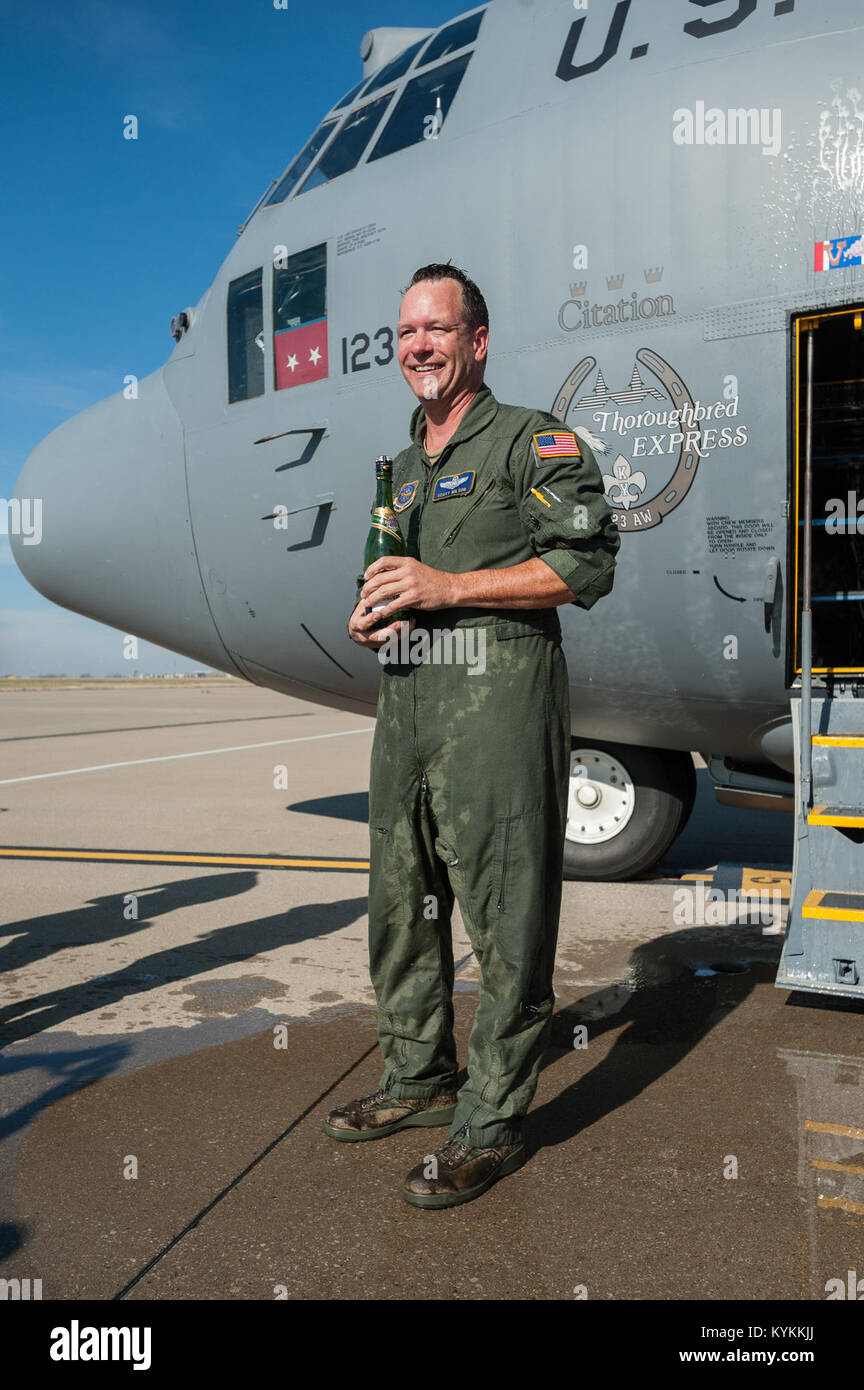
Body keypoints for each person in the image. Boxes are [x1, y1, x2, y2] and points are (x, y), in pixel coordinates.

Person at [324, 263, 620, 1209]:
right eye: (408, 330)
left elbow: (587, 558)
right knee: (401, 908)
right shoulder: (402, 468)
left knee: (505, 916)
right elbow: (399, 578)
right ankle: (418, 1079)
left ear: (475, 342)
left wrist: (450, 589)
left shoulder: (531, 439)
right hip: (406, 702)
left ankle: (489, 1124)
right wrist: (374, 613)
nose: (419, 345)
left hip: (497, 697)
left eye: (437, 329)